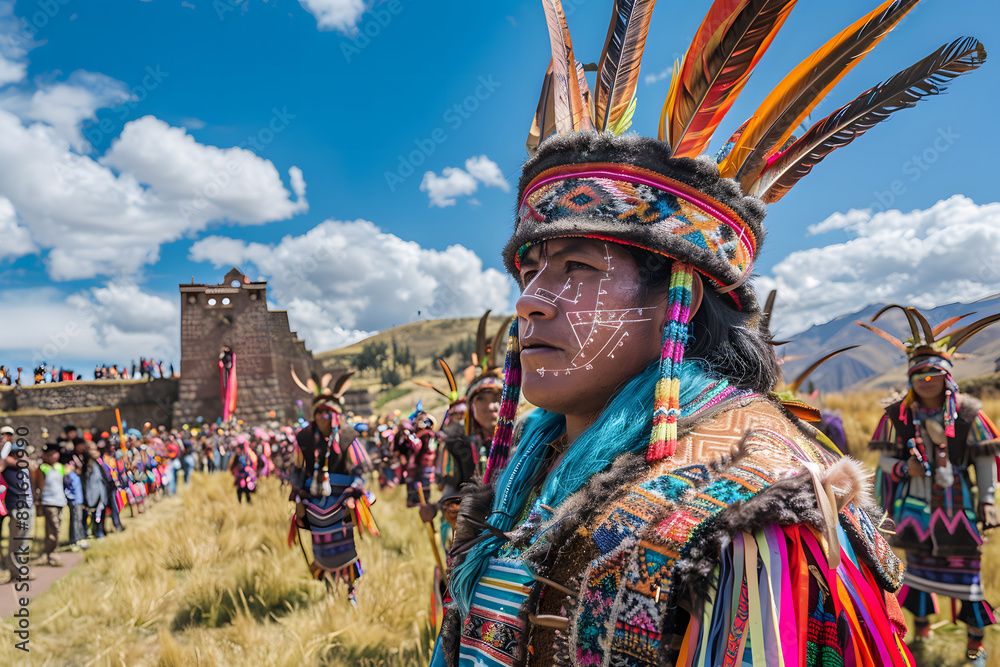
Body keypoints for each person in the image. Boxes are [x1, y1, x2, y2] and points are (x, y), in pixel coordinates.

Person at [429, 1, 989, 662]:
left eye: (577, 267)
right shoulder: (528, 463)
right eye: (528, 269)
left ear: (678, 297)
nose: (530, 301)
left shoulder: (754, 515)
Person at [863, 306, 1000, 665]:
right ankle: (921, 632)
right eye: (919, 373)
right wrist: (905, 469)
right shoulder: (896, 415)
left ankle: (976, 644)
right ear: (910, 377)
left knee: (968, 576)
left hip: (958, 508)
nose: (926, 380)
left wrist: (987, 501)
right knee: (918, 574)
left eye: (934, 373)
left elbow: (985, 461)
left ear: (948, 377)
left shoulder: (968, 414)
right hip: (915, 512)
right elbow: (887, 464)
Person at [289, 371, 377, 598]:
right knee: (321, 548)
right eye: (318, 412)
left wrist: (354, 494)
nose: (321, 417)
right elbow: (297, 472)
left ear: (336, 415)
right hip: (314, 504)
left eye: (327, 413)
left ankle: (349, 589)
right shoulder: (303, 438)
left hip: (342, 504)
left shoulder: (348, 437)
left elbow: (360, 469)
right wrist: (297, 496)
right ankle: (329, 585)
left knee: (345, 547)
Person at [32, 443, 66, 566]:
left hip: (60, 501)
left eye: (54, 454)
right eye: (49, 454)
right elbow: (36, 484)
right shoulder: (42, 468)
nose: (53, 457)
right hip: (48, 501)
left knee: (55, 530)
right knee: (54, 528)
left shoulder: (60, 467)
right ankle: (49, 552)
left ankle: (51, 553)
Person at [63, 455, 88, 551]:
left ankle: (79, 539)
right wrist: (71, 498)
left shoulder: (74, 474)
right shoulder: (67, 475)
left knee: (78, 520)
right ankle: (76, 540)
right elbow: (67, 490)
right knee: (76, 521)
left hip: (78, 501)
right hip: (74, 501)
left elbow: (80, 466)